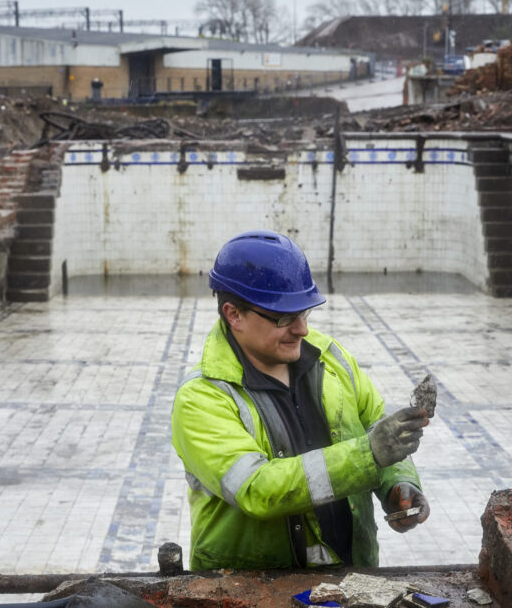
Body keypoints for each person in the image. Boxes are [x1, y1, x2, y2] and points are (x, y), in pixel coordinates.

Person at [170, 230, 431, 571]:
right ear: (234, 315)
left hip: (352, 574)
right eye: (284, 318)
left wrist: (399, 483)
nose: (302, 330)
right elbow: (257, 489)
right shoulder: (201, 398)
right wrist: (368, 456)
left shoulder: (330, 356)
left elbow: (377, 427)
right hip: (252, 592)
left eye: (305, 313)